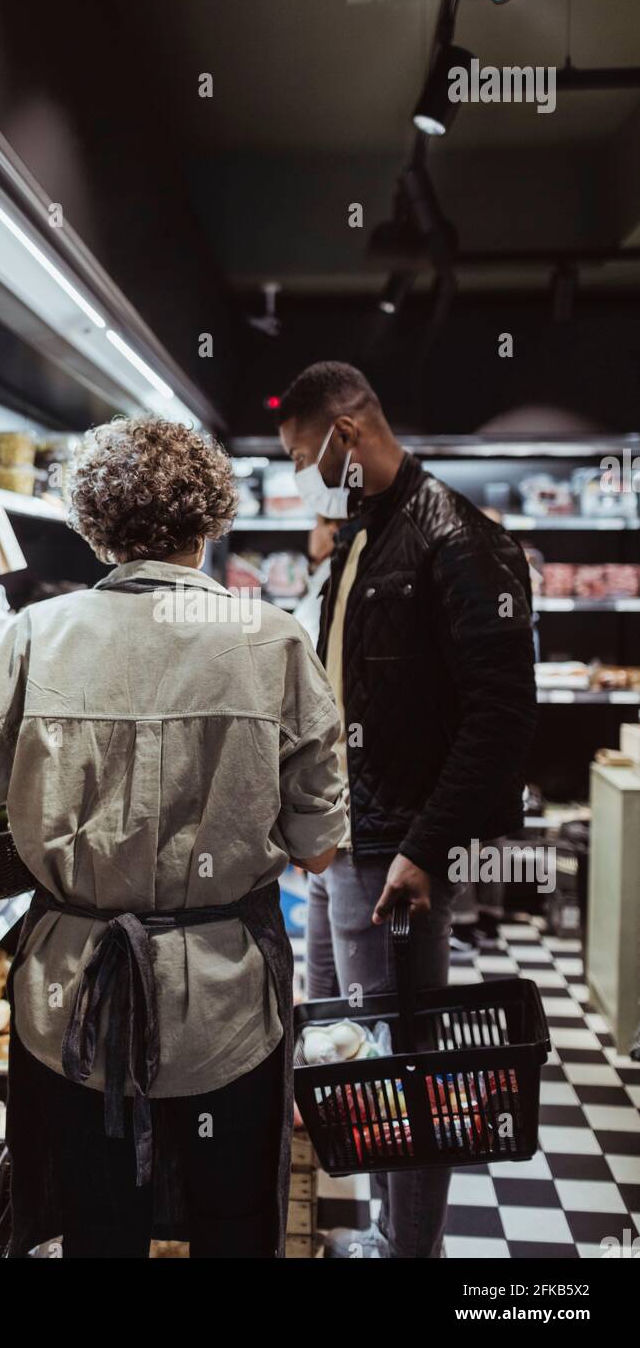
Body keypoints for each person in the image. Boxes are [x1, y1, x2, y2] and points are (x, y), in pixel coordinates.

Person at [0, 415, 346, 1259]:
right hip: (228, 1002)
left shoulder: (34, 636)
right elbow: (318, 845)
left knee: (99, 1234)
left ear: (95, 528)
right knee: (233, 1228)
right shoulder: (272, 640)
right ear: (206, 525)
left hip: (72, 1005)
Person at [278, 362, 538, 1259]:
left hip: (394, 854)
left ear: (347, 435)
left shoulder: (456, 538)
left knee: (406, 1066)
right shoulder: (361, 533)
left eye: (305, 454)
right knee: (355, 1054)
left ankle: (408, 1253)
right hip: (343, 842)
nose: (301, 473)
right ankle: (389, 1234)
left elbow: (502, 715)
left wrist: (428, 848)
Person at [293, 513, 340, 648]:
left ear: (332, 531)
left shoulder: (328, 577)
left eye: (316, 524)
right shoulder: (324, 574)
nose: (312, 532)